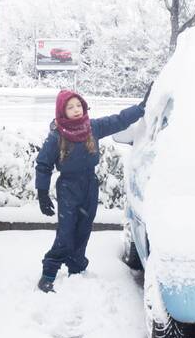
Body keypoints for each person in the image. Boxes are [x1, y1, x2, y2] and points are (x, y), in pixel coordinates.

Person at [34, 84, 150, 291]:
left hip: (90, 184)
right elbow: (43, 164)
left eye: (78, 105)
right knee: (66, 232)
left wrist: (141, 108)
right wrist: (42, 193)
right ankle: (49, 272)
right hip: (68, 186)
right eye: (70, 107)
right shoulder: (57, 135)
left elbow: (119, 120)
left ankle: (76, 270)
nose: (76, 109)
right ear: (62, 112)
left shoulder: (92, 127)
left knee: (83, 229)